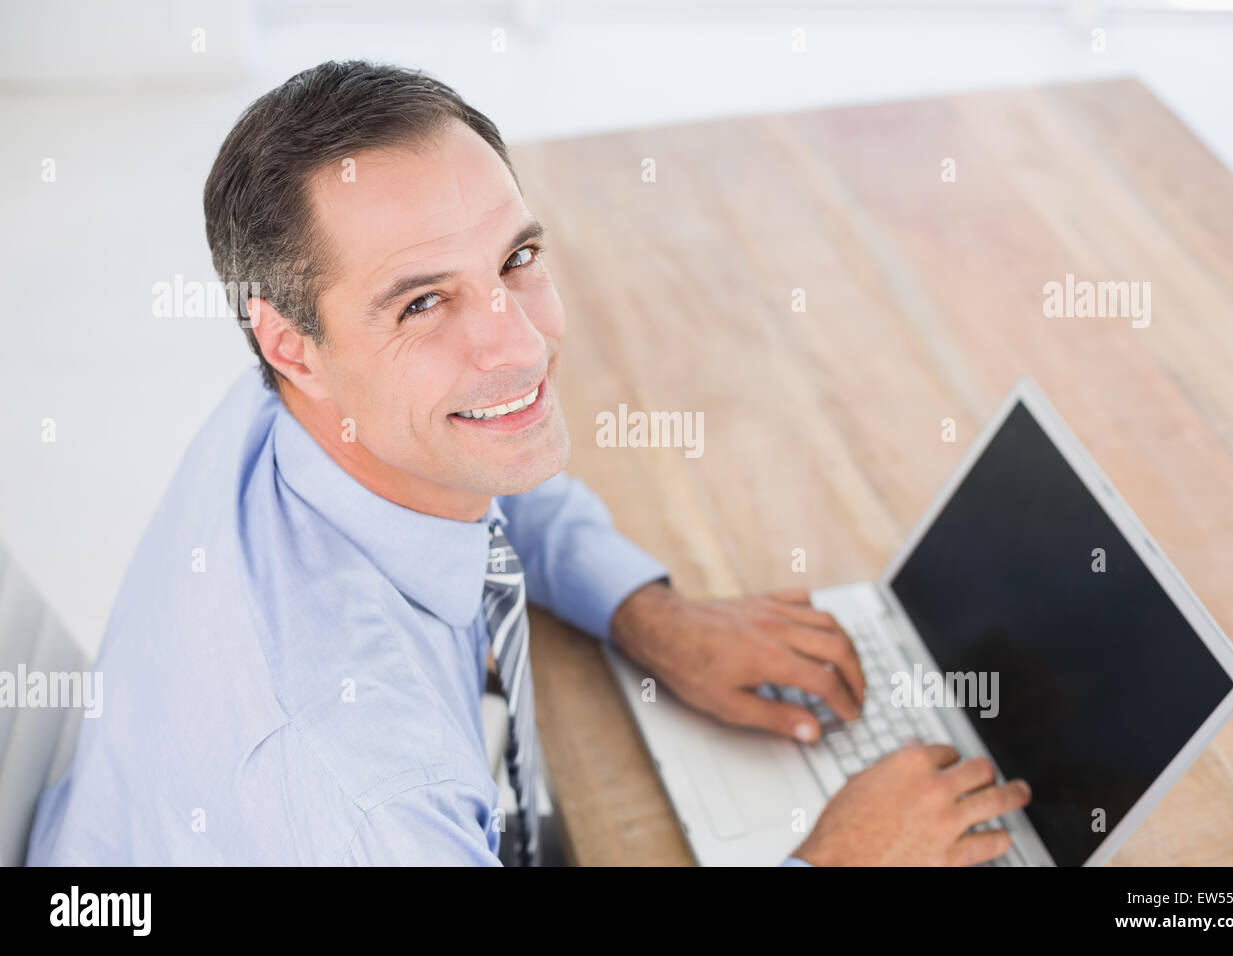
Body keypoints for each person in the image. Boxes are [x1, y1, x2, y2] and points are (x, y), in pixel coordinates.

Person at [26, 60, 1029, 866]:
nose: (519, 341)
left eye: (513, 259)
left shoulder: (309, 408)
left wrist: (650, 614)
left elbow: (490, 464)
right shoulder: (368, 798)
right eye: (423, 302)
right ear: (290, 342)